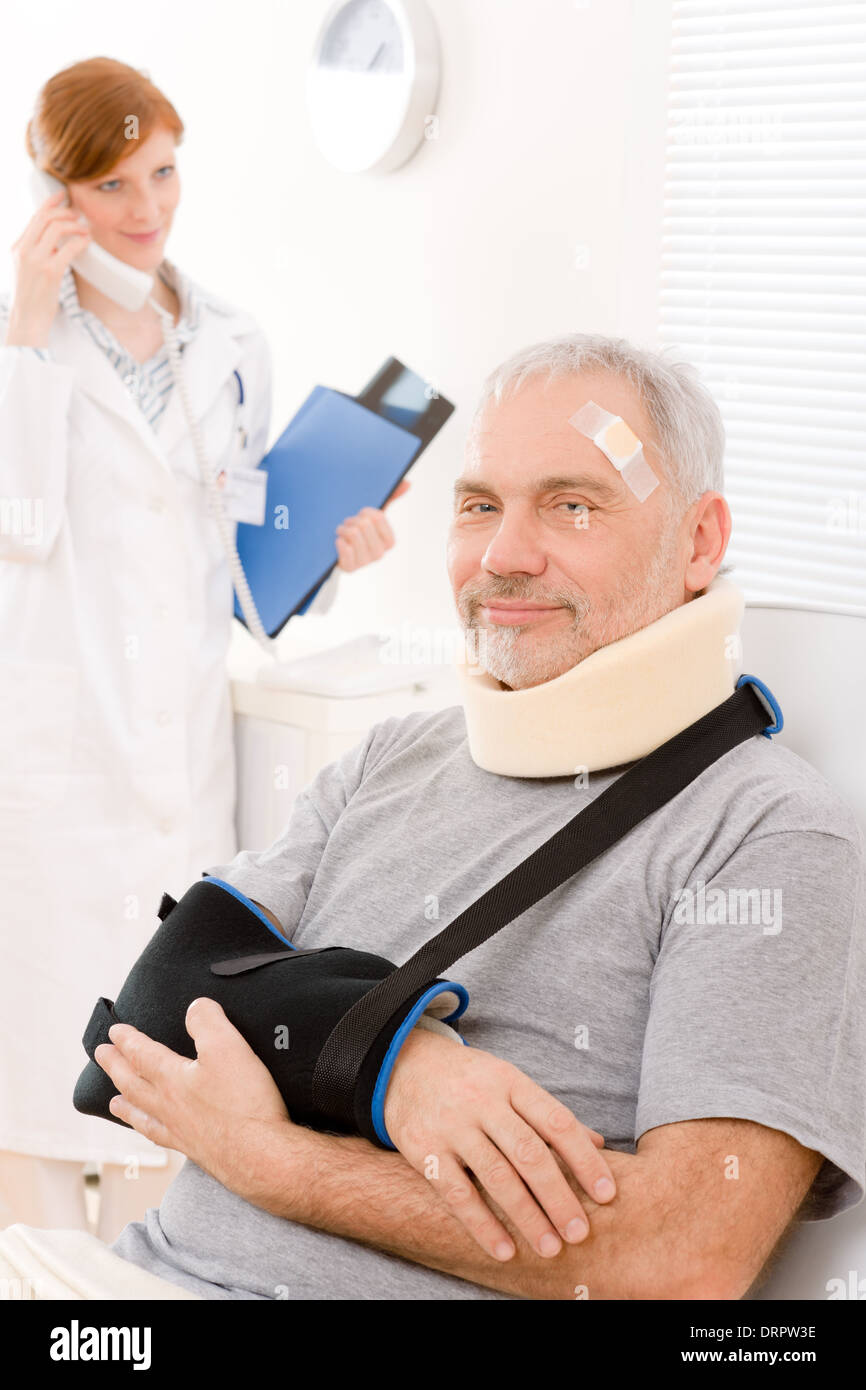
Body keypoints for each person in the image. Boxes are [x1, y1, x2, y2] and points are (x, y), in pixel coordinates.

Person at [46, 335, 866, 1298]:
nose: (504, 556)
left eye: (571, 504)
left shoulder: (763, 835)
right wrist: (398, 1067)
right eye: (479, 505)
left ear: (698, 542)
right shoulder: (397, 753)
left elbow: (678, 1264)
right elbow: (149, 1016)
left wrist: (276, 1162)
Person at [0, 56, 407, 1243]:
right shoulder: (21, 340)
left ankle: (145, 1281)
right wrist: (23, 337)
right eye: (113, 183)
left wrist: (330, 549)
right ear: (56, 189)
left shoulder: (231, 337)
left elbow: (240, 574)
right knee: (32, 1065)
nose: (146, 206)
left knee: (161, 1063)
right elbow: (17, 525)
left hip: (183, 743)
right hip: (55, 746)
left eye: (164, 172)